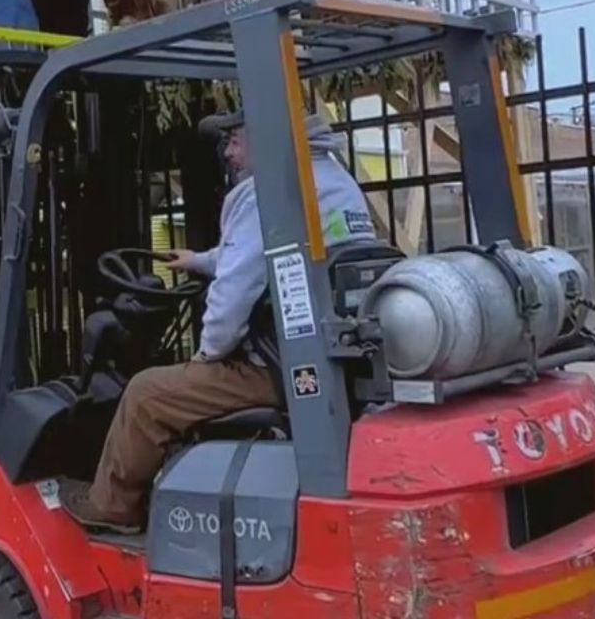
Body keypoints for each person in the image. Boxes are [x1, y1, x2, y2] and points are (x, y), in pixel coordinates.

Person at [60, 109, 376, 533]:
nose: (228, 153)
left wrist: (208, 353)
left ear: (263, 139)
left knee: (146, 393)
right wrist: (200, 261)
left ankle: (114, 505)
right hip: (328, 359)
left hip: (275, 368)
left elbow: (235, 291)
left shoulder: (269, 191)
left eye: (235, 141)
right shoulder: (336, 184)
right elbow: (267, 253)